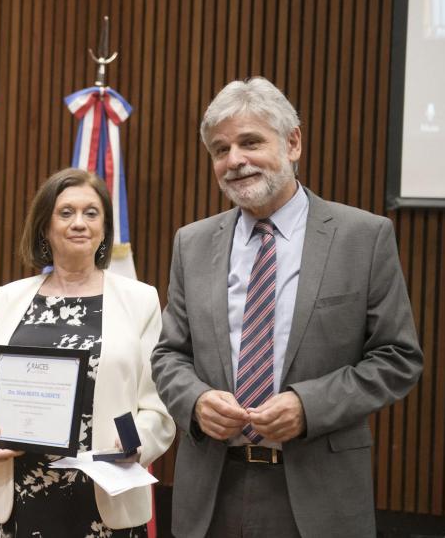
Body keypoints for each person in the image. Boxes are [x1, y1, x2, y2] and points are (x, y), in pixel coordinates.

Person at [151, 77, 424, 537]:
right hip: (211, 493)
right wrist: (195, 401)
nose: (235, 160)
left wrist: (308, 405)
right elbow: (168, 355)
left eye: (250, 142)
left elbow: (398, 359)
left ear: (293, 142)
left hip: (319, 496)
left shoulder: (363, 237)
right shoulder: (192, 243)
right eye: (220, 150)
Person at [0, 168, 176, 536]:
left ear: (104, 228)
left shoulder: (140, 299)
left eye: (92, 213)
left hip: (104, 493)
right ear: (45, 226)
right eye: (66, 213)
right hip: (18, 494)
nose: (80, 223)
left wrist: (132, 440)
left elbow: (153, 402)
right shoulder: (9, 298)